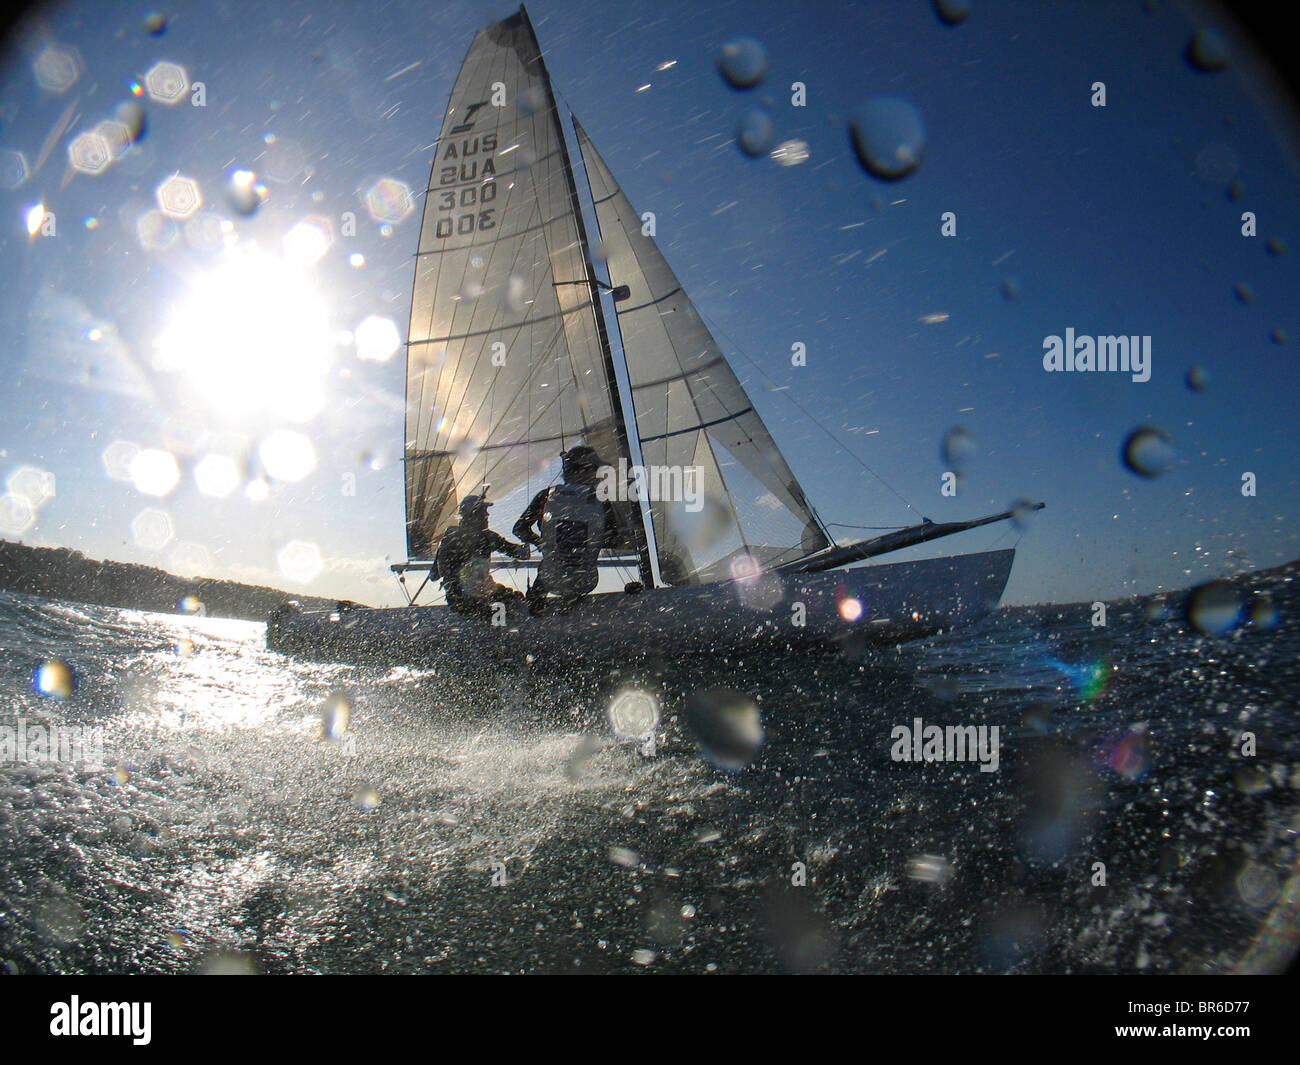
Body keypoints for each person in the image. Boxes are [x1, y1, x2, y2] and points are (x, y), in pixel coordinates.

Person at [513, 445, 625, 613]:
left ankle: (535, 606)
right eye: (595, 469)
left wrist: (544, 544)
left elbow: (519, 529)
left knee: (543, 588)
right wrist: (588, 542)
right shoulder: (600, 501)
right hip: (584, 581)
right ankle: (569, 607)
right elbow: (616, 541)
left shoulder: (546, 496)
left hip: (548, 579)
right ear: (582, 470)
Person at [436, 494, 530, 619]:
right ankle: (503, 632)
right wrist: (533, 541)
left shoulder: (449, 535)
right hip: (480, 599)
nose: (487, 515)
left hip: (456, 601)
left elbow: (434, 575)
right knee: (516, 601)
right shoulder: (487, 537)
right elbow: (521, 554)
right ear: (474, 514)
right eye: (483, 511)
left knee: (502, 599)